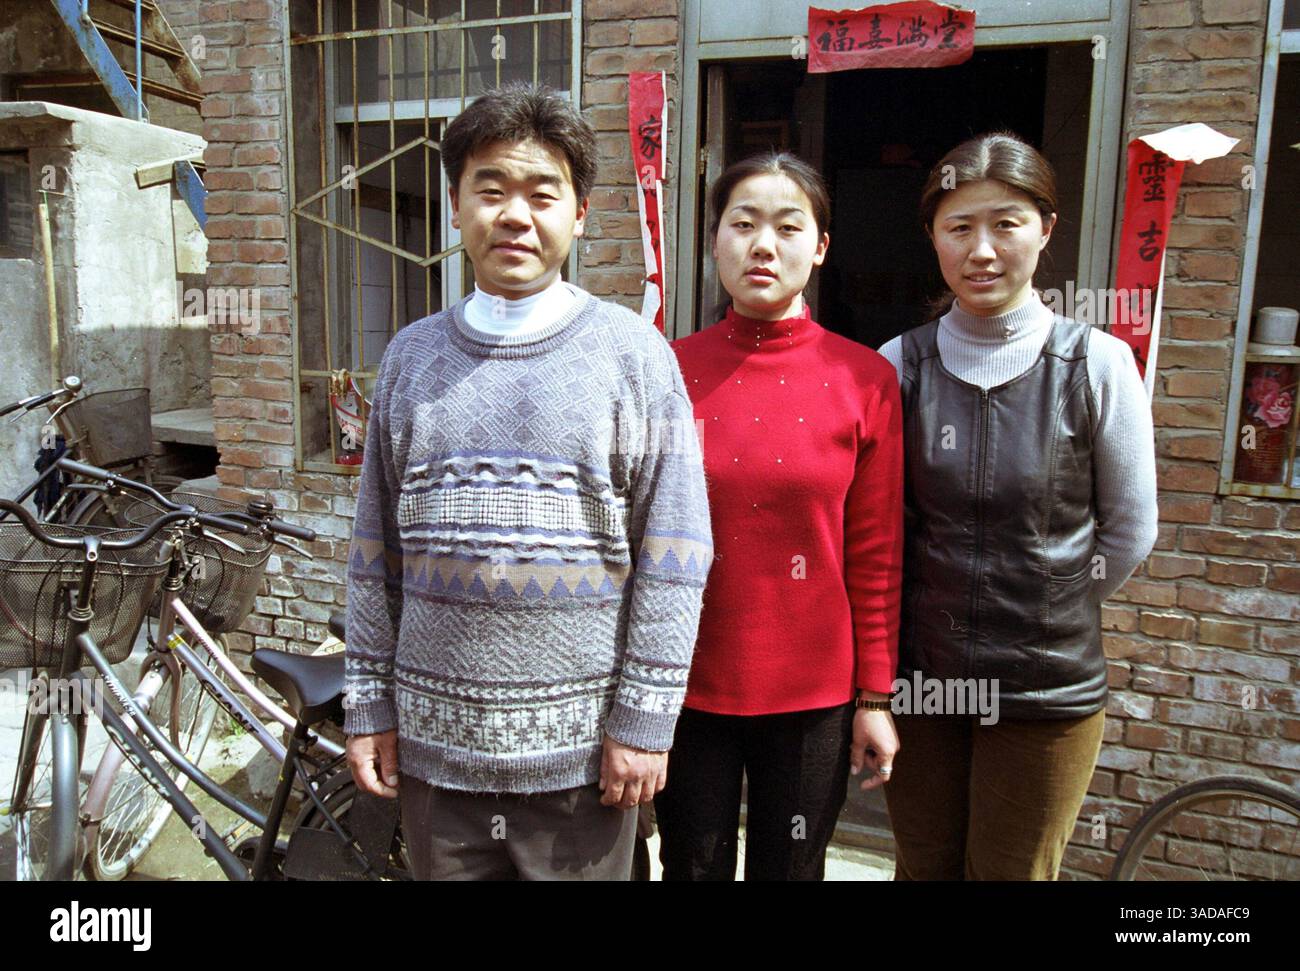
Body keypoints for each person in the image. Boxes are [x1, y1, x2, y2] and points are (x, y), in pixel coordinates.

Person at [341, 83, 713, 880]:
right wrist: (368, 704)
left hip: (583, 770)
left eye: (543, 194)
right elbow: (375, 550)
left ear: (579, 213)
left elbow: (678, 553)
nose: (516, 215)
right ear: (454, 205)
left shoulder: (635, 357)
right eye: (492, 190)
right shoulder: (411, 356)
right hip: (438, 763)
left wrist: (644, 721)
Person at [876, 131, 1159, 880]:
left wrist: (1051, 599)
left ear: (1046, 228)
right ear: (933, 236)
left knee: (1013, 872)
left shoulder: (1097, 363)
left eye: (1006, 222)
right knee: (922, 866)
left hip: (1047, 688)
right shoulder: (899, 364)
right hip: (925, 680)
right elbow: (881, 531)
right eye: (958, 226)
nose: (982, 249)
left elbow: (1130, 527)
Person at [659, 152, 904, 880]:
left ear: (820, 246)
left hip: (812, 695)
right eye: (743, 223)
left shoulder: (865, 380)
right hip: (685, 679)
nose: (763, 244)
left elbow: (876, 550)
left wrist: (875, 697)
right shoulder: (666, 369)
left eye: (787, 226)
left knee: (792, 868)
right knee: (690, 865)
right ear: (714, 241)